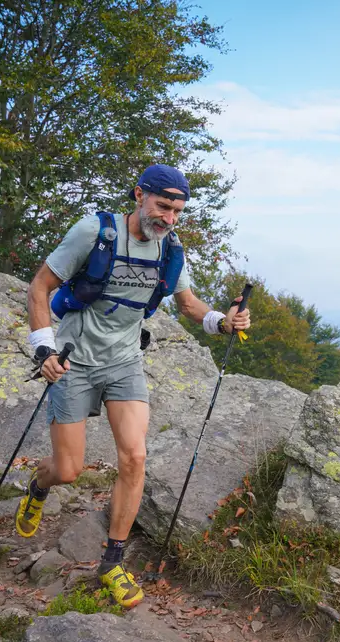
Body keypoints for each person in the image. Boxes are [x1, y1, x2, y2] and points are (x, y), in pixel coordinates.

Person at [21, 164, 250, 609]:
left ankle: (112, 561)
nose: (168, 218)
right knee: (68, 470)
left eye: (178, 211)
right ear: (139, 195)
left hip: (125, 362)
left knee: (135, 455)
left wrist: (222, 322)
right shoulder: (95, 232)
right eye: (163, 206)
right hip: (73, 360)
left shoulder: (170, 248)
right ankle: (39, 486)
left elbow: (186, 303)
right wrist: (44, 350)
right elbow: (40, 286)